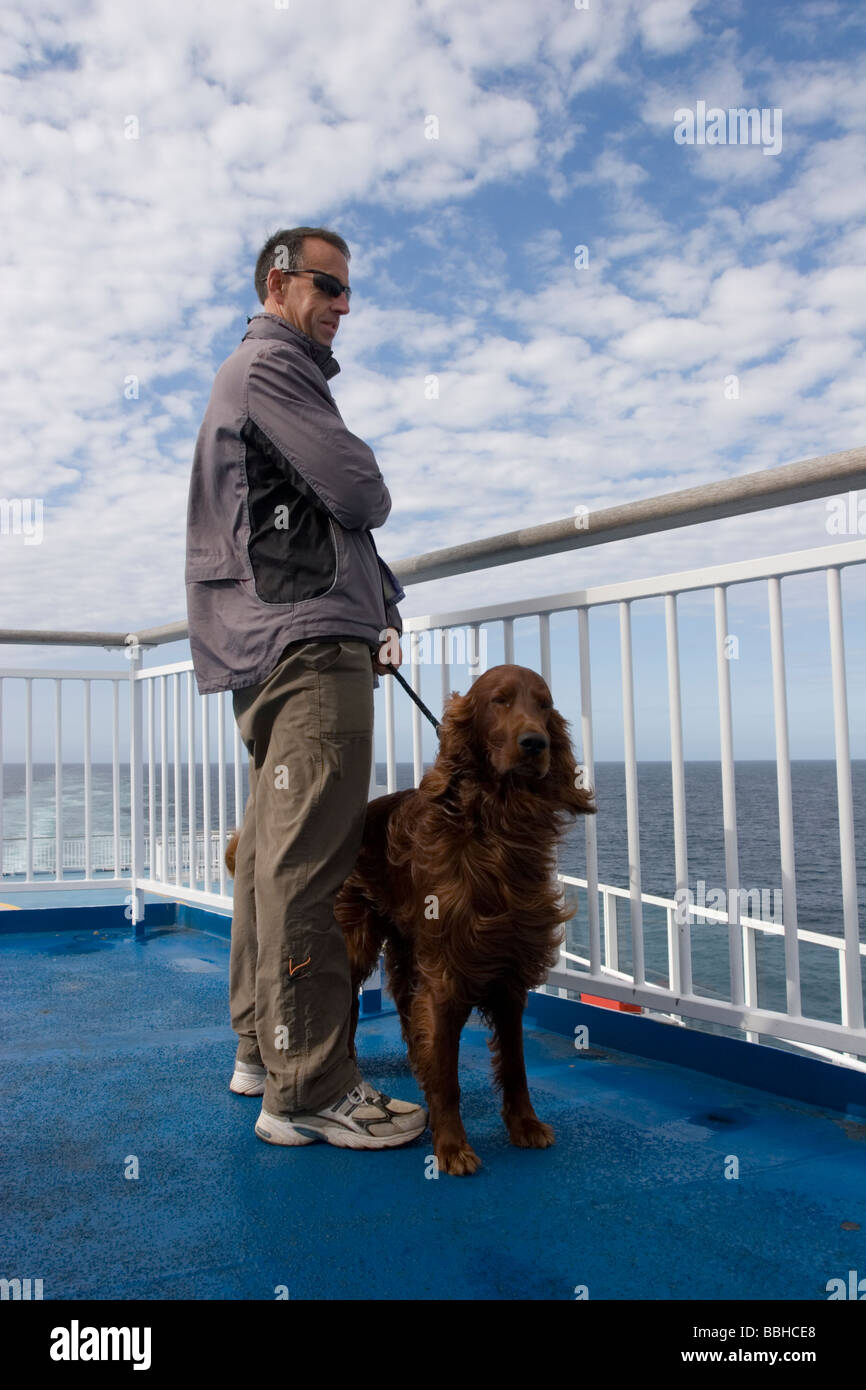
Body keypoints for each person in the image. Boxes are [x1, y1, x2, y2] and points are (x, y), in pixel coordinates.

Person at [184, 226, 427, 1151]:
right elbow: (362, 492)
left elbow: (323, 522)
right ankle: (311, 1088)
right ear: (280, 284)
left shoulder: (254, 377)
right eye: (328, 286)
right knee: (310, 872)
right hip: (307, 646)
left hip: (275, 643)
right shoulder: (273, 370)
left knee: (267, 861)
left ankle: (262, 1047)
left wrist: (380, 605)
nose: (344, 306)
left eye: (347, 290)